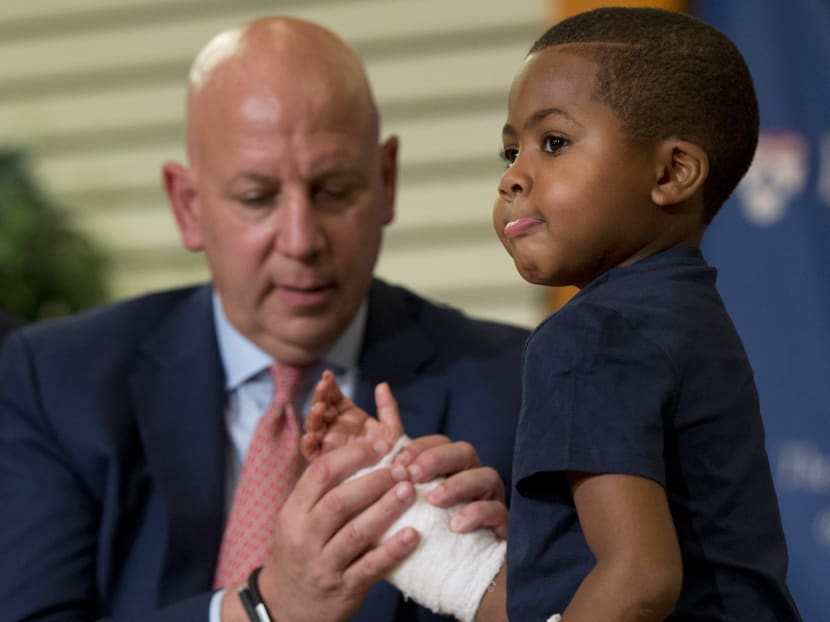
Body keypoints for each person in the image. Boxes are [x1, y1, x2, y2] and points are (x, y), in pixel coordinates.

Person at [0, 16, 529, 622]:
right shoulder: (56, 383)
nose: (301, 241)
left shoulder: (517, 386)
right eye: (256, 197)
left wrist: (505, 586)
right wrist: (266, 608)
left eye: (333, 190)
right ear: (188, 205)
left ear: (386, 181)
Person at [304, 7, 804, 622]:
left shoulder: (588, 335)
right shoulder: (688, 317)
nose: (514, 178)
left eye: (555, 143)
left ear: (672, 172)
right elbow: (565, 596)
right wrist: (409, 509)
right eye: (510, 152)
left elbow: (639, 580)